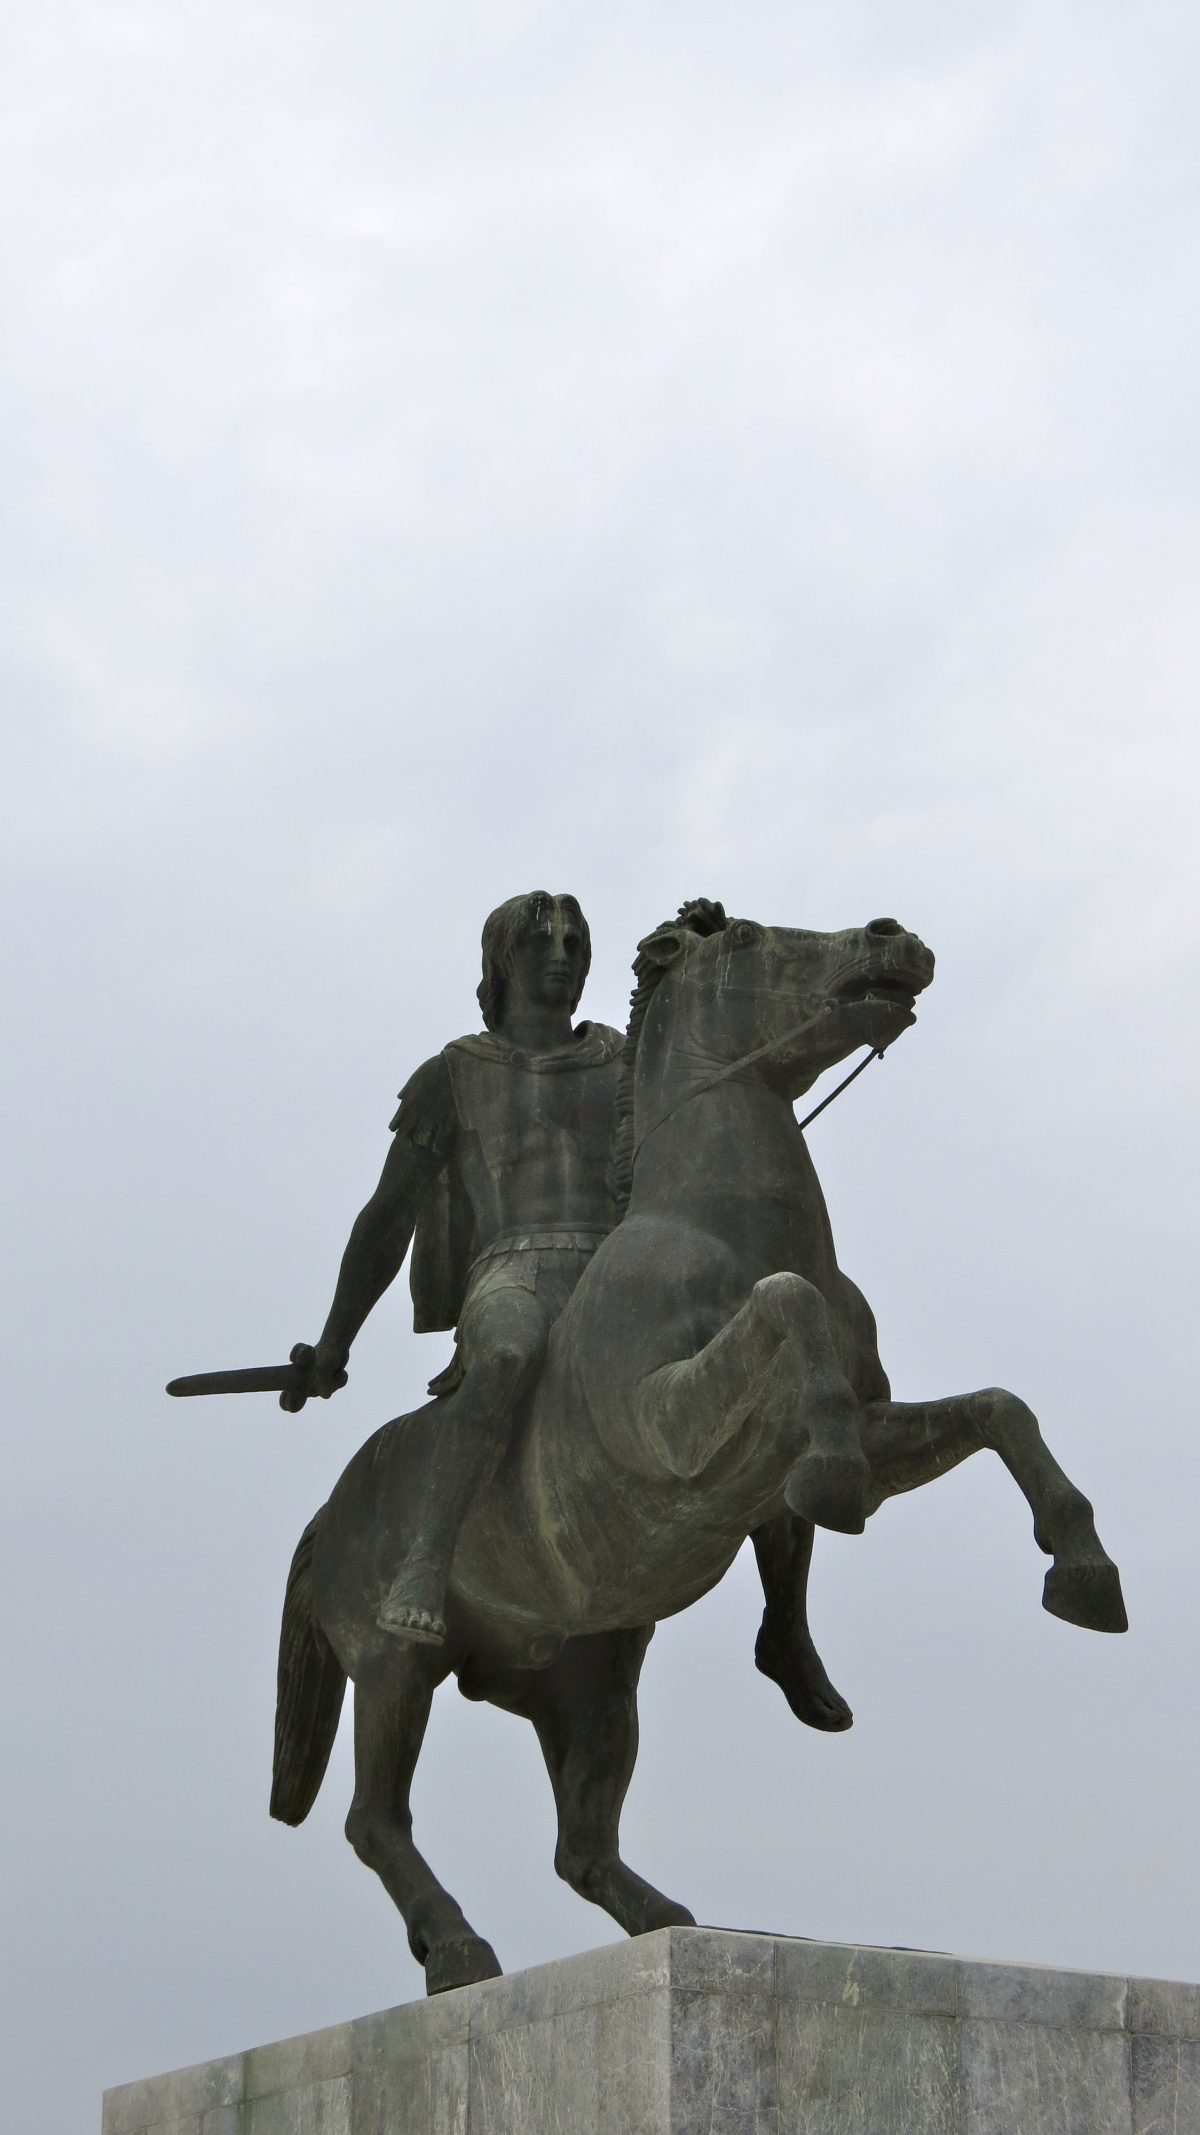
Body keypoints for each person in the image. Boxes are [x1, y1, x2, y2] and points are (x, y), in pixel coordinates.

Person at [296, 889, 853, 1731]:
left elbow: (704, 1042)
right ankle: (427, 1557)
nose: (560, 955)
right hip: (515, 1268)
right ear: (502, 961)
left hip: (624, 1265)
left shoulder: (622, 1058)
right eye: (540, 941)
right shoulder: (454, 1074)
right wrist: (334, 1344)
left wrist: (702, 948)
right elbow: (387, 1217)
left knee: (762, 1369)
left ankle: (786, 1620)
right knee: (507, 1356)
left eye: (573, 942)